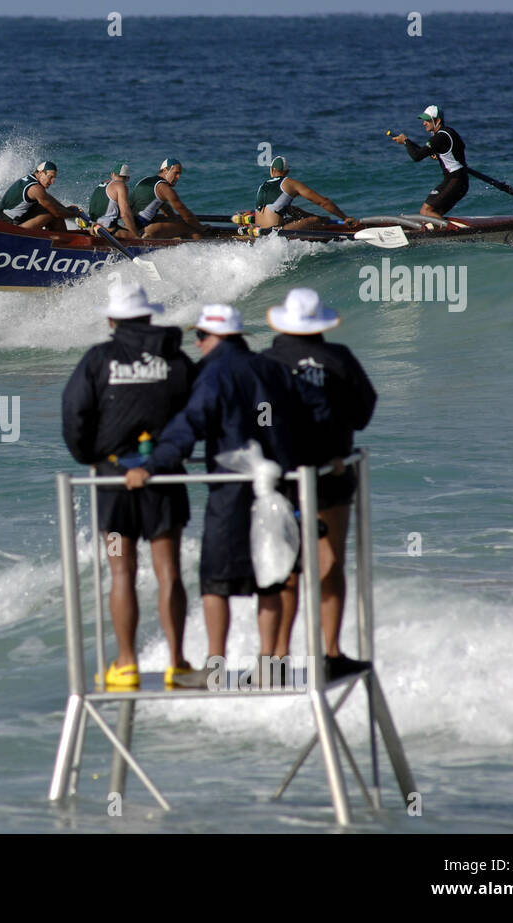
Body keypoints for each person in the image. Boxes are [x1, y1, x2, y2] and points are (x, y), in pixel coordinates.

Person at [124, 304, 330, 687]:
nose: (198, 344)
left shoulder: (214, 373)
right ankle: (271, 666)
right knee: (271, 574)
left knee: (216, 580)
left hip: (233, 489)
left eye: (200, 337)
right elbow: (319, 409)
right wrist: (313, 457)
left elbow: (189, 426)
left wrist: (150, 466)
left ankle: (215, 670)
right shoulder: (272, 368)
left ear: (215, 338)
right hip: (280, 484)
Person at [62, 282, 199, 689]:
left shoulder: (99, 359)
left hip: (113, 482)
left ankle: (126, 663)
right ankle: (178, 662)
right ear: (149, 317)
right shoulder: (175, 359)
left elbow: (75, 414)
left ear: (112, 320)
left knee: (121, 570)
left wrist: (89, 458)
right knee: (168, 570)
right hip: (163, 476)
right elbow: (194, 413)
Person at [263, 288, 375, 680]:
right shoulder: (339, 358)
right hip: (332, 469)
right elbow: (363, 412)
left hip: (281, 474)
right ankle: (329, 652)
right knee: (330, 560)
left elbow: (256, 418)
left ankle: (277, 657)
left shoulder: (269, 361)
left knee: (285, 566)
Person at [391, 105, 468, 218]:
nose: (424, 123)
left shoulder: (439, 137)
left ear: (438, 121)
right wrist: (440, 154)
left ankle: (451, 233)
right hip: (460, 180)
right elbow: (459, 147)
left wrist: (405, 142)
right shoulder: (450, 132)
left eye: (427, 120)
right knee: (434, 214)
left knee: (426, 211)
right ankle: (445, 232)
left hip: (455, 181)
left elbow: (417, 156)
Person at [249, 156, 357, 230]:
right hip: (275, 233)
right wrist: (344, 217)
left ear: (271, 170)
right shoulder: (290, 183)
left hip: (260, 231)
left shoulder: (262, 186)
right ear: (287, 172)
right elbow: (323, 202)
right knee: (318, 220)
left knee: (292, 209)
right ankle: (322, 225)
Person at [128, 158, 206, 240]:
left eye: (179, 174)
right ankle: (204, 250)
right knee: (188, 228)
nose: (178, 177)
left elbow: (166, 209)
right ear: (165, 170)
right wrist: (200, 227)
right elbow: (185, 213)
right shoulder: (164, 188)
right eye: (176, 173)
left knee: (176, 223)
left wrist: (175, 221)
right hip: (142, 227)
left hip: (129, 225)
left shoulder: (145, 180)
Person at [0, 161, 81, 230]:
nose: (52, 182)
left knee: (49, 209)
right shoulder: (36, 188)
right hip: (8, 225)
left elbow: (48, 198)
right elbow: (57, 213)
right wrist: (75, 214)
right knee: (52, 214)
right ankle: (61, 243)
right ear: (40, 173)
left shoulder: (31, 179)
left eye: (54, 178)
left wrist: (65, 209)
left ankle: (60, 239)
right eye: (50, 177)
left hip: (4, 216)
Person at [88, 163, 142, 239]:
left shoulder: (102, 184)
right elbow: (125, 214)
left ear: (112, 174)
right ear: (127, 178)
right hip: (107, 230)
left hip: (92, 227)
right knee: (140, 235)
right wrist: (136, 235)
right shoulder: (121, 186)